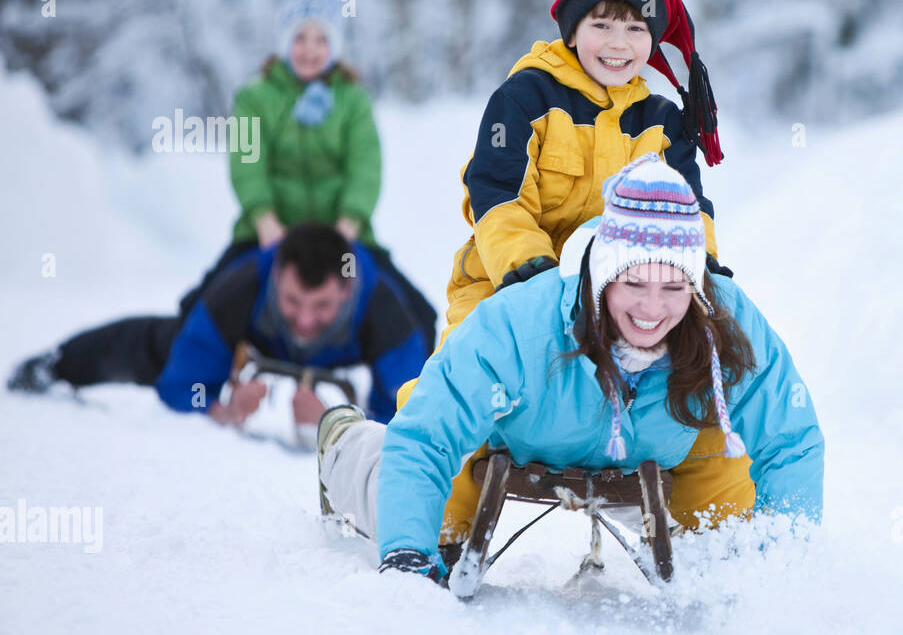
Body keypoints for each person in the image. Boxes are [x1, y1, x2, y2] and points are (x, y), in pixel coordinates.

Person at [316, 155, 823, 584]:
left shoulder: (722, 317)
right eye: (634, 283)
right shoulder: (522, 322)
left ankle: (724, 559)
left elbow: (790, 438)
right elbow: (427, 435)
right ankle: (344, 446)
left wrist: (785, 566)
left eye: (674, 287)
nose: (652, 308)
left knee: (728, 528)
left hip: (659, 442)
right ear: (603, 274)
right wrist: (408, 552)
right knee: (420, 520)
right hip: (512, 438)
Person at [433, 0, 730, 351]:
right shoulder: (525, 98)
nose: (618, 42)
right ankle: (410, 418)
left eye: (635, 28)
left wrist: (702, 266)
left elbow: (688, 208)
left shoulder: (662, 122)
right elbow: (498, 193)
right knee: (473, 367)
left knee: (700, 357)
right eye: (602, 25)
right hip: (510, 278)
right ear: (572, 32)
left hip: (617, 294)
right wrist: (530, 270)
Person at [179, 0, 439, 354]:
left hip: (345, 236)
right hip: (267, 234)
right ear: (285, 42)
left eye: (321, 39)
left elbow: (365, 166)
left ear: (334, 46)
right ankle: (202, 387)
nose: (309, 50)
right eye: (299, 38)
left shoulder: (353, 101)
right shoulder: (254, 97)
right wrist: (264, 220)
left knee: (418, 315)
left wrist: (347, 226)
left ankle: (404, 395)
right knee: (199, 308)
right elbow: (246, 161)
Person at [8, 223, 428, 425]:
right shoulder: (243, 285)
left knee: (429, 345)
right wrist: (218, 407)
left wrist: (339, 425)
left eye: (321, 307)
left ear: (347, 287)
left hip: (376, 323)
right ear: (275, 275)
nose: (303, 320)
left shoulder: (383, 307)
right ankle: (56, 364)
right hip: (250, 326)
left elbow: (408, 417)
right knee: (171, 340)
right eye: (292, 301)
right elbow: (180, 385)